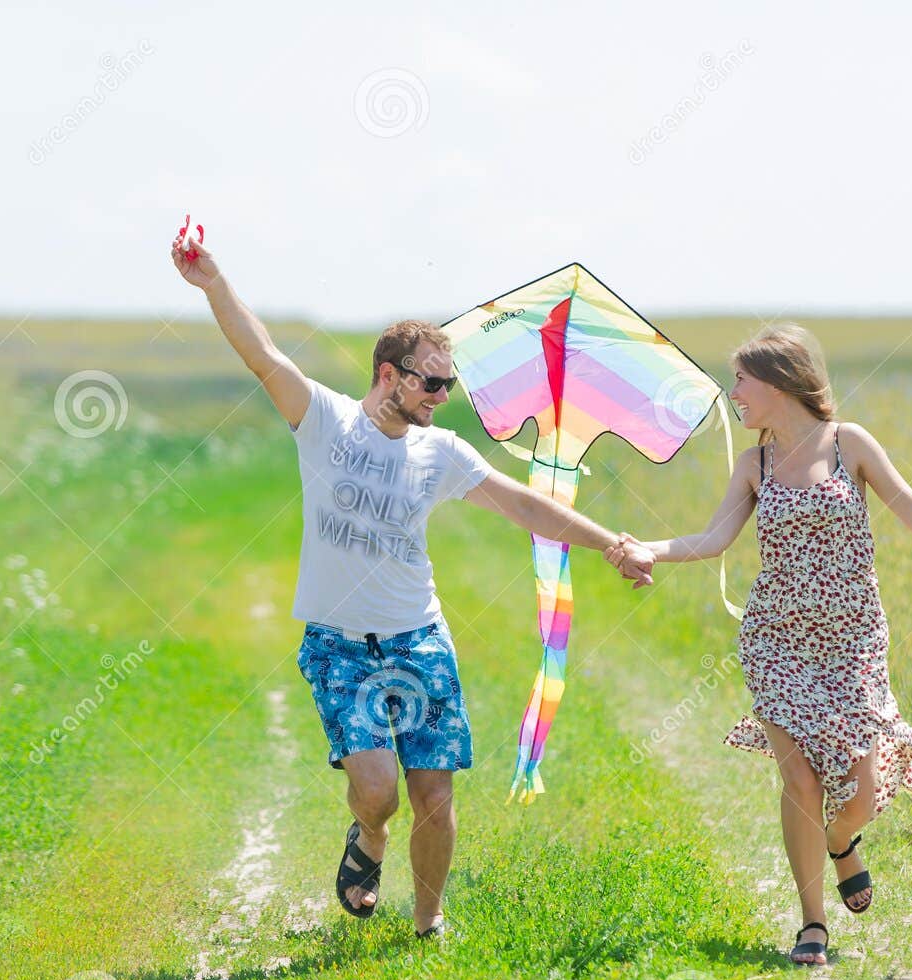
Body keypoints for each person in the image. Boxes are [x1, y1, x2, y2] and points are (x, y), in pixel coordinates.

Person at [171, 231, 654, 938]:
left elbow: (522, 504)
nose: (440, 395)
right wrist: (213, 282)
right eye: (430, 380)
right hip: (339, 642)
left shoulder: (440, 451)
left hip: (420, 638)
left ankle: (428, 923)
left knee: (435, 794)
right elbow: (264, 354)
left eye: (448, 383)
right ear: (388, 374)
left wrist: (610, 540)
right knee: (379, 793)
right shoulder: (325, 421)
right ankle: (367, 839)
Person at [608, 324, 912, 964]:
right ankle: (813, 923)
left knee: (861, 795)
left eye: (742, 381)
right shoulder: (752, 464)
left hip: (853, 643)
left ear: (780, 382)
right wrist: (648, 548)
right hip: (777, 643)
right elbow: (713, 539)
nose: (734, 394)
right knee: (801, 783)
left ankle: (842, 845)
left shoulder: (850, 446)